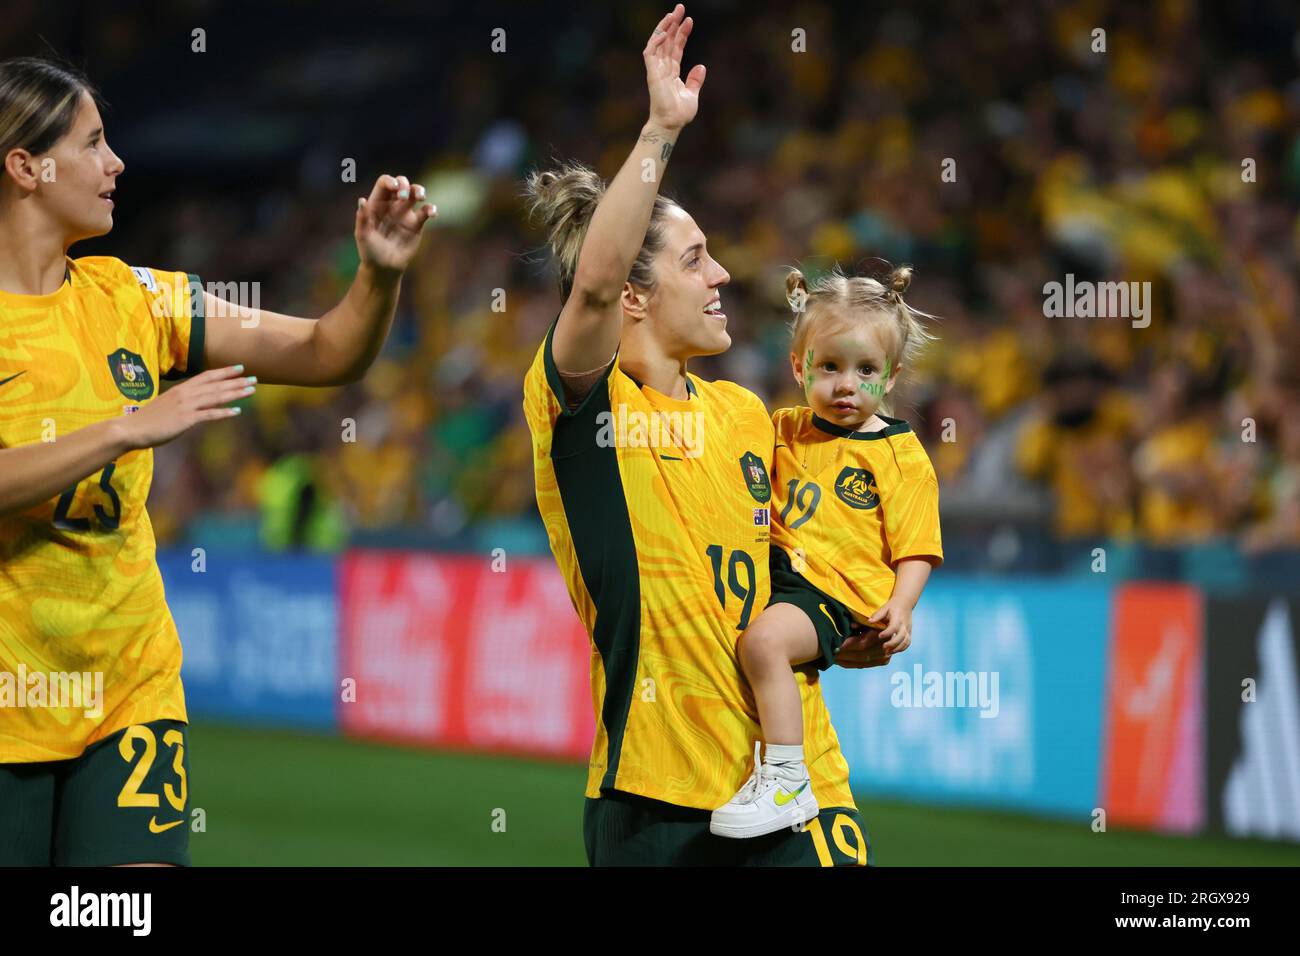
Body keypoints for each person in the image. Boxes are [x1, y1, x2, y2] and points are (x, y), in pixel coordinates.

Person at [0, 56, 435, 865]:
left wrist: (376, 276)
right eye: (93, 143)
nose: (116, 163)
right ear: (26, 166)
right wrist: (122, 431)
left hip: (127, 696)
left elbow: (322, 349)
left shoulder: (134, 298)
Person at [521, 4, 888, 866]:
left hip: (791, 781)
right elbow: (592, 288)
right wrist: (657, 133)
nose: (722, 275)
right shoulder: (586, 413)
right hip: (656, 796)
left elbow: (798, 569)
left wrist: (845, 627)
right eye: (695, 260)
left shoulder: (748, 417)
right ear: (636, 298)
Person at [710, 265, 944, 838]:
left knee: (762, 643)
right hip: (782, 579)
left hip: (836, 595)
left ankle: (787, 781)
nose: (847, 385)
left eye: (866, 370)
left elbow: (917, 545)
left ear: (889, 378)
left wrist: (904, 604)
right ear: (799, 368)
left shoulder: (901, 455)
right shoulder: (783, 429)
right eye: (830, 367)